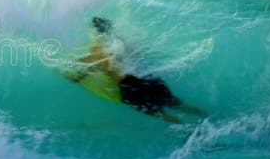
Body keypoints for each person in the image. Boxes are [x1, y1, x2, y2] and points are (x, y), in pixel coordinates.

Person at [62, 17, 206, 123]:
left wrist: (75, 75)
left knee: (161, 115)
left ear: (94, 33)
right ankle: (210, 119)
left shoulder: (96, 50)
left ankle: (191, 133)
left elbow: (89, 68)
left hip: (130, 88)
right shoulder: (121, 42)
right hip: (147, 78)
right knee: (181, 106)